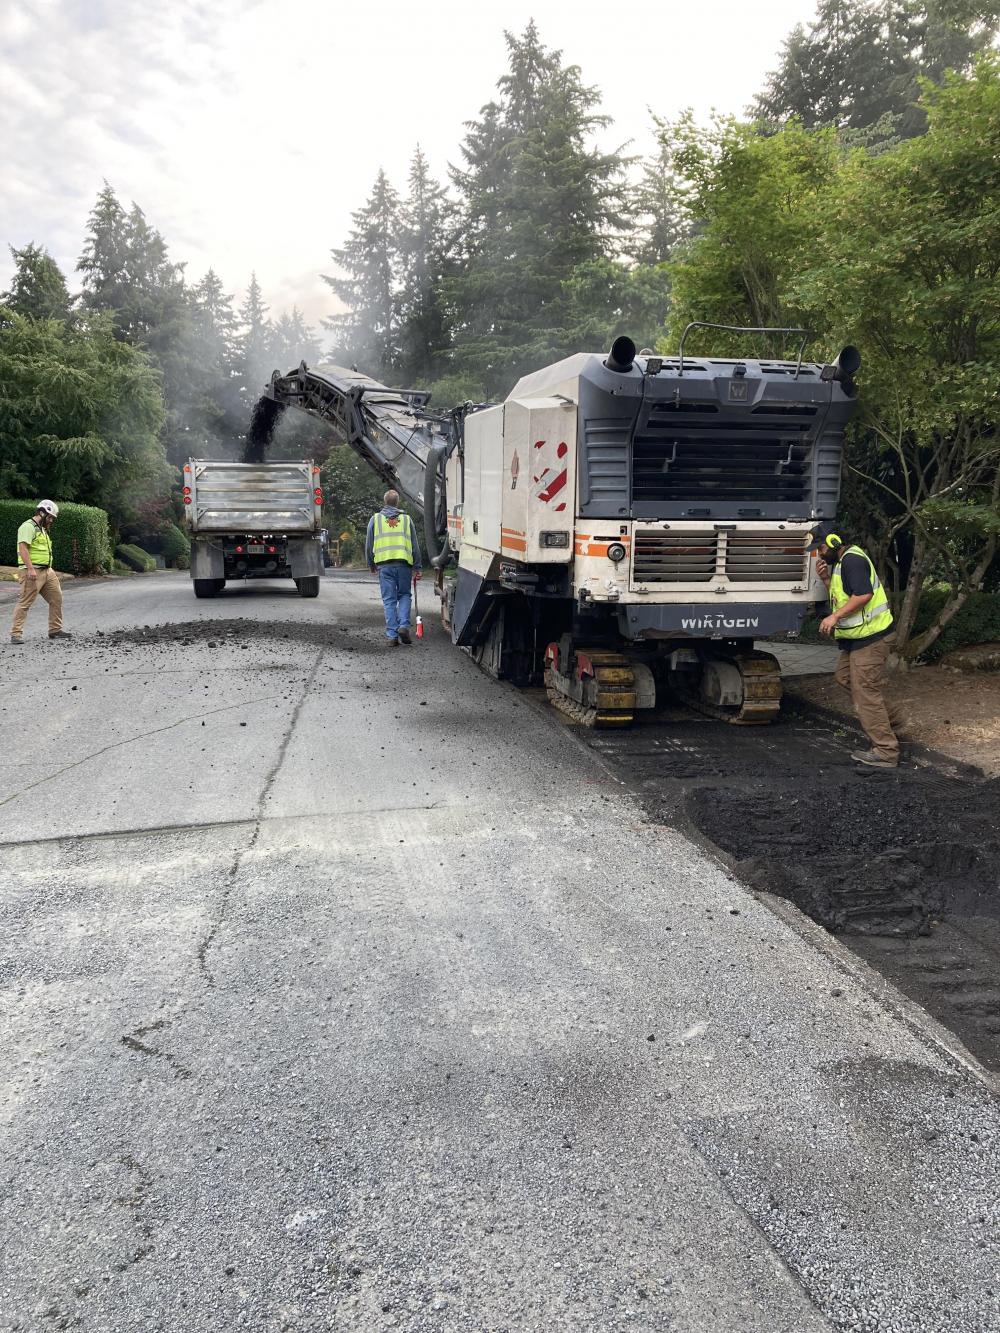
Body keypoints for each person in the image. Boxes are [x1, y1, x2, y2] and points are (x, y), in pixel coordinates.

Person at [809, 521, 900, 769]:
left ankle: (885, 751)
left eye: (820, 547)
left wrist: (834, 617)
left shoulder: (852, 560)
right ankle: (894, 722)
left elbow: (863, 595)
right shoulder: (839, 564)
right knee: (844, 678)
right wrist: (826, 580)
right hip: (856, 638)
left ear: (833, 542)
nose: (818, 553)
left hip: (871, 637)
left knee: (865, 693)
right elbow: (843, 598)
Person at [10, 500, 71, 645]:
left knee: (56, 598)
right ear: (42, 512)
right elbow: (23, 548)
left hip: (47, 571)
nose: (51, 520)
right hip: (32, 571)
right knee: (25, 602)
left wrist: (50, 569)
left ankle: (55, 630)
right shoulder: (28, 527)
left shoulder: (42, 529)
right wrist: (30, 568)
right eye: (50, 517)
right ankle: (15, 634)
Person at [366, 490, 422, 646]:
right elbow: (414, 545)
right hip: (404, 565)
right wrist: (417, 566)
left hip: (384, 566)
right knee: (404, 595)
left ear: (385, 502)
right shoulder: (406, 520)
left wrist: (371, 564)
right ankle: (404, 626)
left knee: (389, 600)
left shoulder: (375, 519)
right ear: (397, 502)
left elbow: (369, 544)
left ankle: (392, 636)